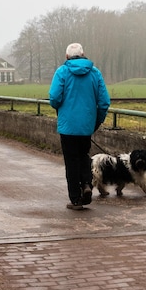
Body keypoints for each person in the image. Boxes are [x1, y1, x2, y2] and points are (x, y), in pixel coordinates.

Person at [48, 42, 110, 210]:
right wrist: (96, 121)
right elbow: (104, 102)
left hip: (67, 126)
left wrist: (60, 108)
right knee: (84, 156)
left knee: (71, 161)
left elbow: (54, 97)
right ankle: (87, 184)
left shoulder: (62, 72)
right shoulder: (95, 73)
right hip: (86, 126)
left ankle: (75, 199)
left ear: (67, 57)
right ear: (84, 54)